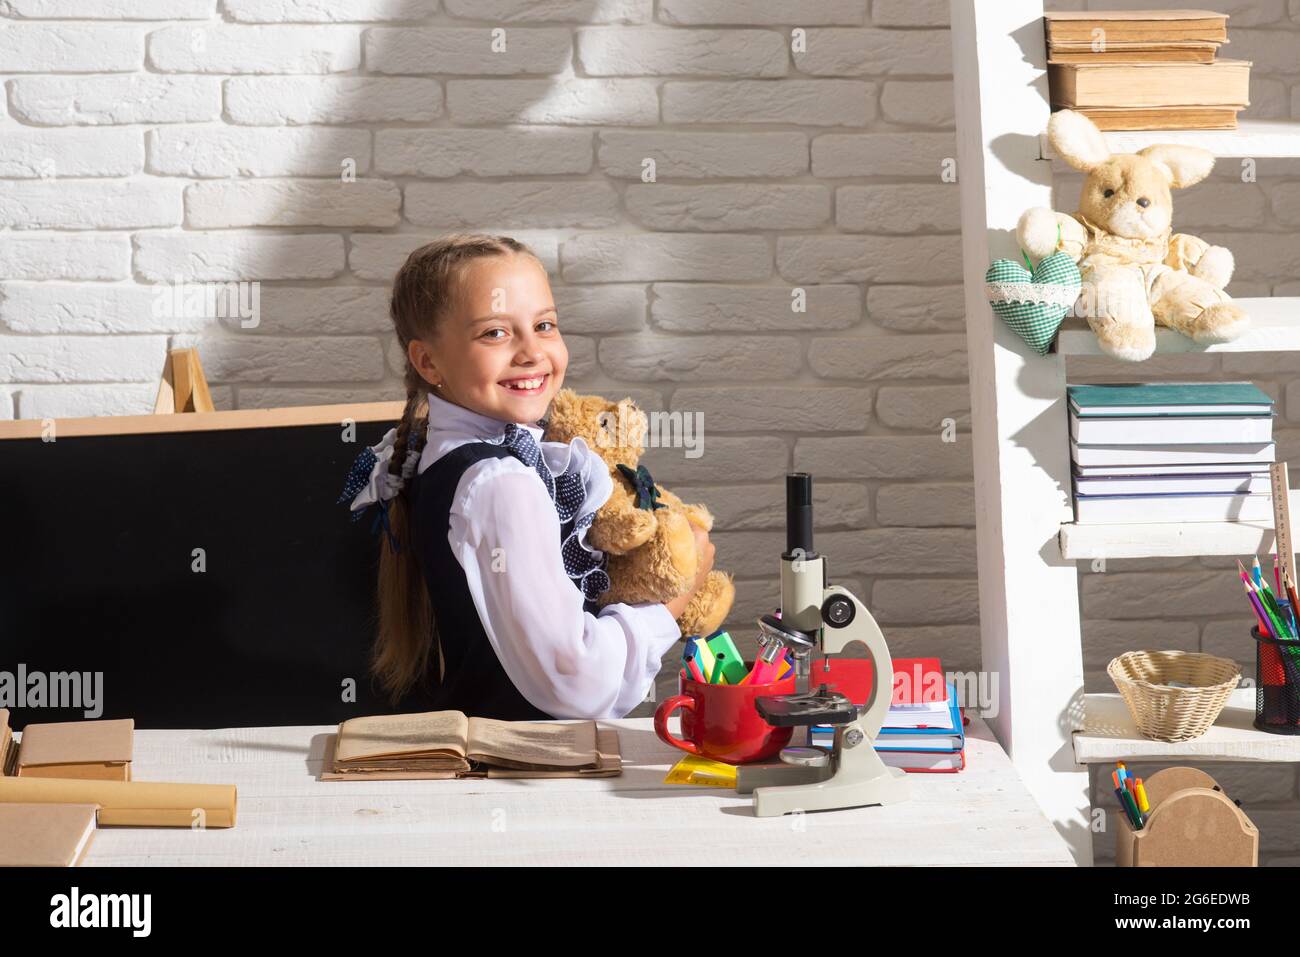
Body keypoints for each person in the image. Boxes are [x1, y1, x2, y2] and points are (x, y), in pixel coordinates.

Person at [340, 234, 714, 720]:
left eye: (544, 325)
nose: (532, 352)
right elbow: (576, 685)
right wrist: (670, 602)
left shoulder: (449, 455)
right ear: (428, 361)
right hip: (530, 773)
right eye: (495, 333)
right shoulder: (500, 483)